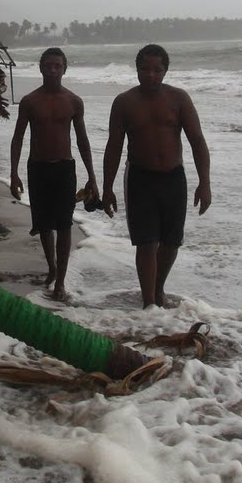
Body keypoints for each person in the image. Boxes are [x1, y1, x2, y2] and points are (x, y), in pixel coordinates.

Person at [102, 43, 212, 308]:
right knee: (147, 242)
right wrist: (107, 188)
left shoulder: (179, 99)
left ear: (165, 71)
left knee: (172, 242)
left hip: (174, 177)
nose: (151, 75)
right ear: (137, 70)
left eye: (157, 70)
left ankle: (159, 288)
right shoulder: (124, 102)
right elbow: (114, 147)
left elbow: (197, 141)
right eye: (145, 69)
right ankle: (149, 302)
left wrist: (204, 183)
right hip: (140, 178)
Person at [9, 47, 98, 301]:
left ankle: (60, 281)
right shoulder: (30, 101)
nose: (52, 70)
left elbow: (82, 141)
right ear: (40, 68)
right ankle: (51, 267)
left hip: (64, 168)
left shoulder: (73, 101)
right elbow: (18, 138)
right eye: (48, 65)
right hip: (37, 167)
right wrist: (14, 173)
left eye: (57, 66)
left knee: (64, 223)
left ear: (64, 69)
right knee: (44, 224)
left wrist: (92, 176)